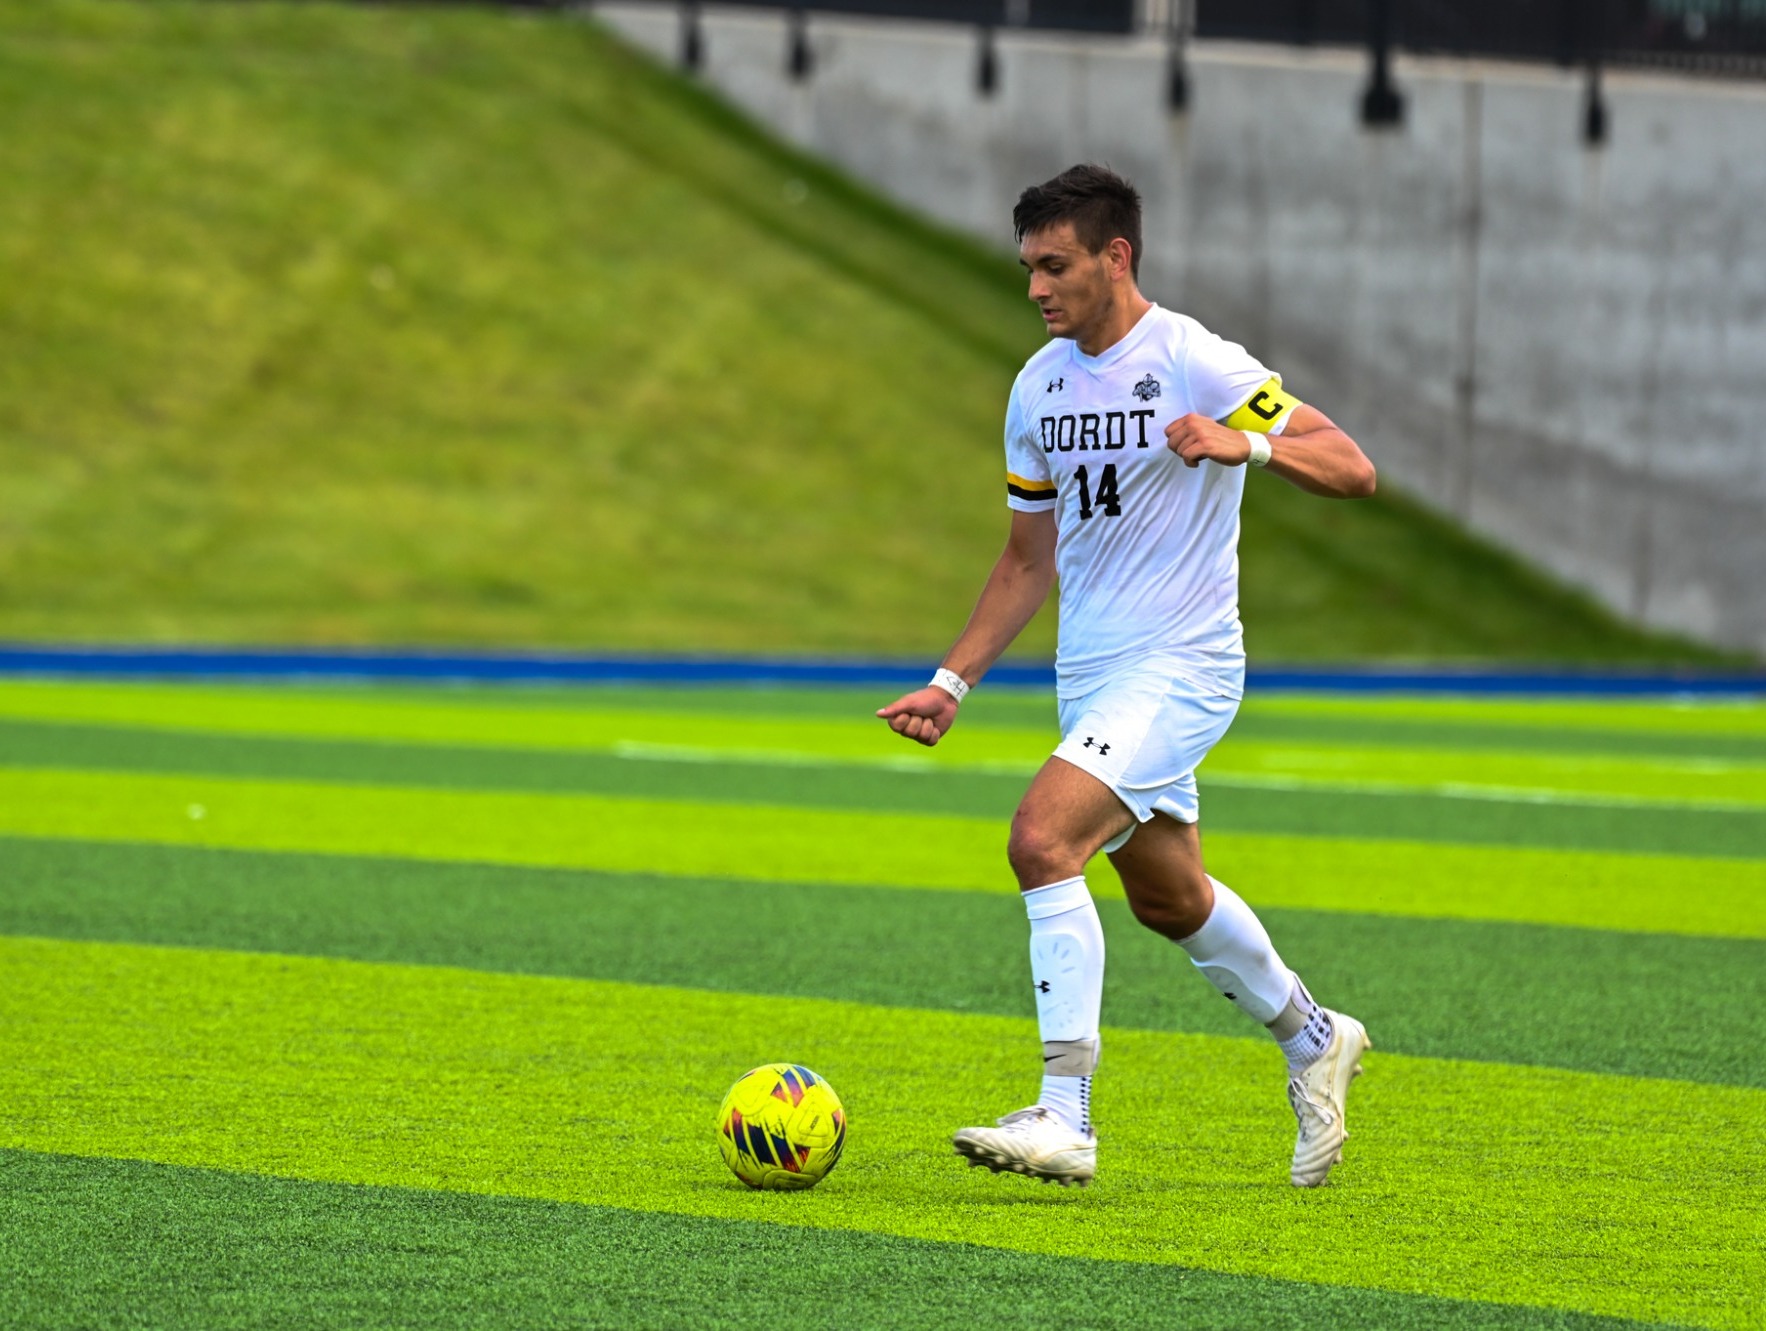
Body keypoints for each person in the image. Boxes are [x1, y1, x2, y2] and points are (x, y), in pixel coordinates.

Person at [876, 164, 1378, 1189]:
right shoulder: (1037, 386)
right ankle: (1314, 1036)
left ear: (1116, 256)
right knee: (1169, 896)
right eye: (1025, 268)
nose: (1034, 289)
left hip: (1182, 665)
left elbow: (1349, 465)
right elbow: (1026, 558)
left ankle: (1064, 1114)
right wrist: (950, 681)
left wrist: (1245, 442)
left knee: (1039, 837)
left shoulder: (1194, 358)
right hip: (1094, 676)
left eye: (1052, 265)